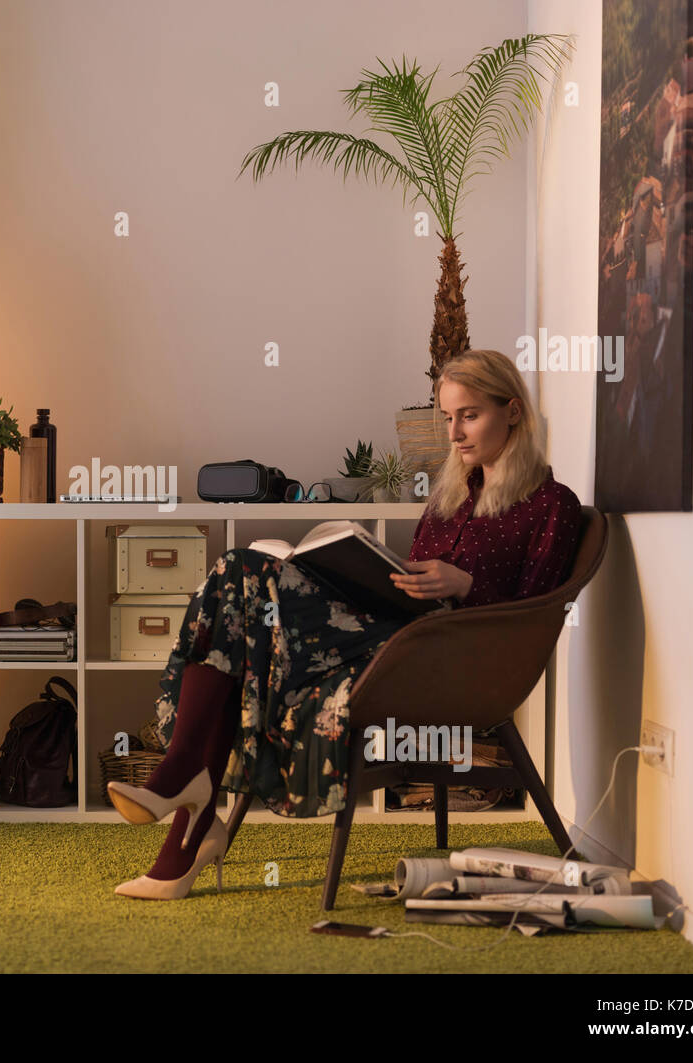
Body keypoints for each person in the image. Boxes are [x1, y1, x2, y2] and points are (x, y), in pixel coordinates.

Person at [107, 349, 584, 899]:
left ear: (515, 412)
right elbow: (410, 580)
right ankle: (188, 802)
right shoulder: (451, 494)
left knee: (242, 599)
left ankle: (187, 797)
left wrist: (466, 585)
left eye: (469, 415)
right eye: (447, 417)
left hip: (445, 659)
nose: (454, 433)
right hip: (388, 632)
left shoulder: (552, 505)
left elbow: (541, 610)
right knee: (237, 577)